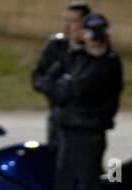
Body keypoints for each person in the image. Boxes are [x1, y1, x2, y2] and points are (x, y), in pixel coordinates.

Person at [26, 12, 123, 190]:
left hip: (88, 137)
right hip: (69, 134)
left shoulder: (106, 65)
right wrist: (74, 49)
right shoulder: (79, 57)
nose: (94, 40)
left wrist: (58, 86)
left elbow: (67, 91)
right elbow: (51, 76)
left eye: (99, 34)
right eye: (90, 34)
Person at [32, 2, 90, 147]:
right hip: (57, 117)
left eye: (73, 21)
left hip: (84, 124)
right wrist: (52, 89)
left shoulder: (92, 51)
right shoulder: (55, 45)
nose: (67, 25)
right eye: (65, 20)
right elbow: (38, 76)